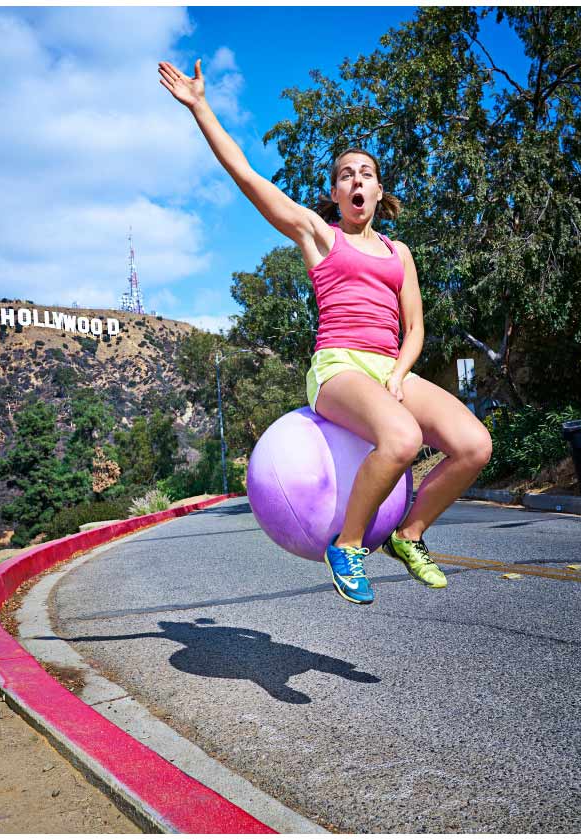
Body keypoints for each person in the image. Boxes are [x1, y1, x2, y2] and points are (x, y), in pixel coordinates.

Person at [160, 59, 492, 605]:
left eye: (365, 172)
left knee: (475, 445)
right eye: (345, 175)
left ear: (380, 191)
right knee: (404, 439)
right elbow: (248, 177)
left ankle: (409, 535)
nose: (356, 179)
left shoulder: (398, 251)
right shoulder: (318, 236)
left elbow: (416, 326)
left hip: (391, 367)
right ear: (335, 194)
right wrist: (200, 107)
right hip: (339, 367)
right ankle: (350, 545)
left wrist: (400, 374)